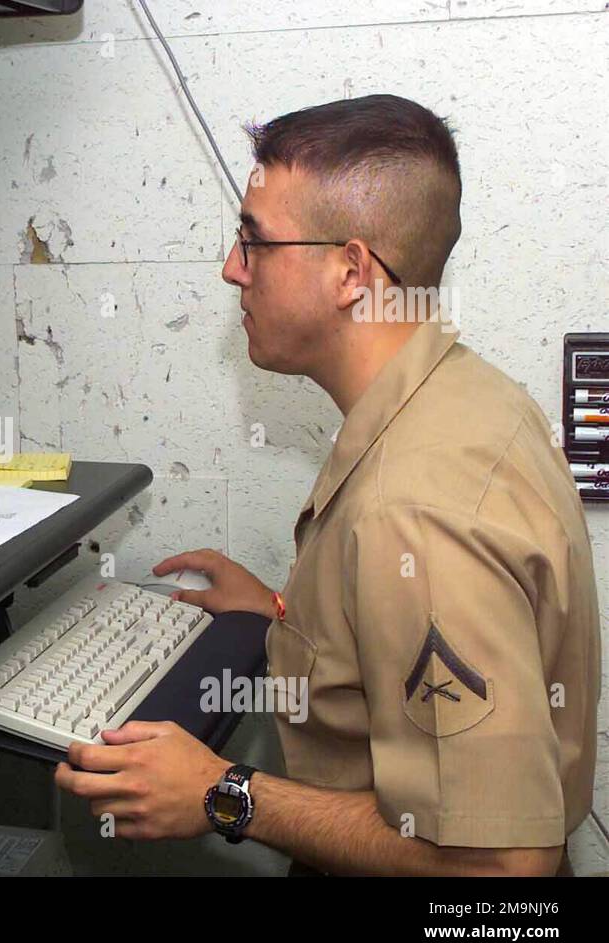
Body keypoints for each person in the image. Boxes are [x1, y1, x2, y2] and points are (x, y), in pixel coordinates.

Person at [54, 94, 600, 876]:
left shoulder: (415, 511)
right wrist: (289, 619)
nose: (231, 268)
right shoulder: (461, 398)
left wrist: (224, 793)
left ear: (350, 271)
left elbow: (504, 868)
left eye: (255, 241)